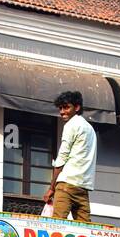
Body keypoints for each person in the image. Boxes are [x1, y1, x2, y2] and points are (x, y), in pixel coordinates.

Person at [43, 90, 97, 222]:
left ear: (77, 107)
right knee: (85, 231)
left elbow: (61, 159)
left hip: (67, 185)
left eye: (66, 107)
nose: (62, 112)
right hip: (83, 188)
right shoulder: (90, 129)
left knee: (56, 225)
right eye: (60, 108)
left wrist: (52, 188)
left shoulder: (71, 125)